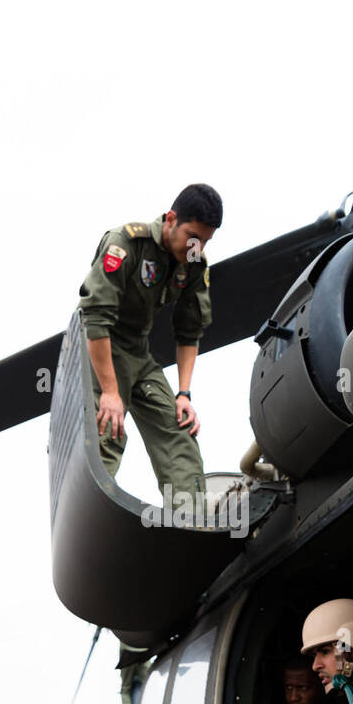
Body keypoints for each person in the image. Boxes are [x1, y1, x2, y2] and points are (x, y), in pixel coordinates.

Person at [76, 183, 223, 499]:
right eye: (193, 237)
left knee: (178, 431)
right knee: (108, 428)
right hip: (100, 344)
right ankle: (94, 516)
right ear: (171, 219)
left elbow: (189, 331)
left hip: (138, 354)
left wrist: (184, 394)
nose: (196, 248)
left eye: (206, 241)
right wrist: (112, 392)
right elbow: (96, 320)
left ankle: (190, 521)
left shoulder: (194, 263)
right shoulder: (126, 244)